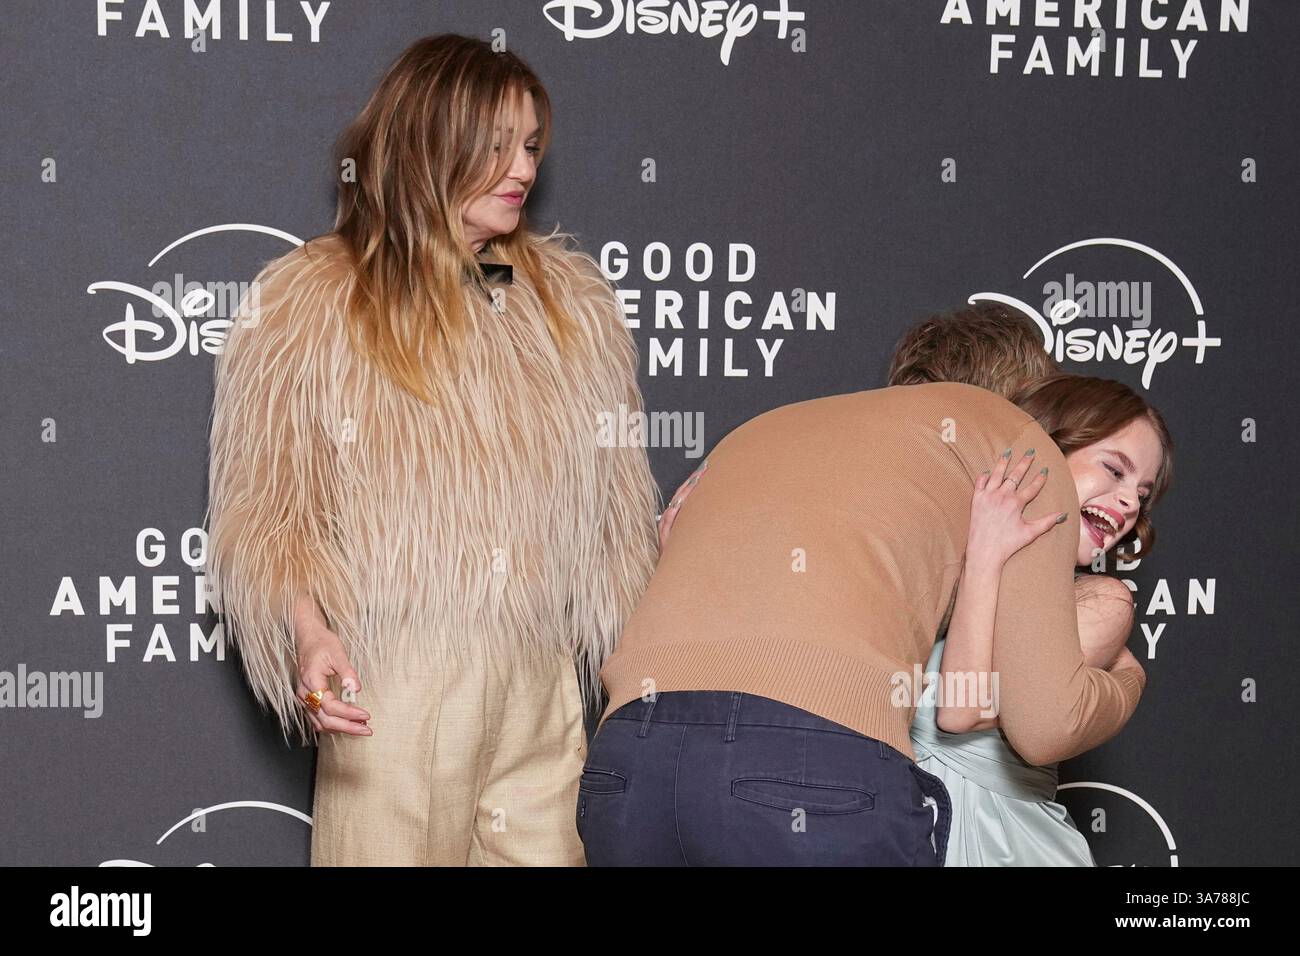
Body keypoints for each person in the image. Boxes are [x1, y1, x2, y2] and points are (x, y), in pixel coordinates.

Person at [205, 35, 661, 866]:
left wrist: (648, 669)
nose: (521, 167)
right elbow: (270, 514)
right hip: (396, 686)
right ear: (427, 143)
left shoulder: (575, 309)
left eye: (530, 146)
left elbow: (617, 526)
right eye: (496, 145)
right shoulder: (311, 303)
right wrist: (308, 635)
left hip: (542, 684)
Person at [576, 303, 1148, 866]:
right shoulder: (1016, 452)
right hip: (807, 769)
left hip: (626, 766)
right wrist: (1127, 677)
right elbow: (1045, 724)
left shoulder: (765, 430)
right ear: (1030, 402)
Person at [910, 373, 1171, 865]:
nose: (1131, 502)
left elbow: (958, 712)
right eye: (1115, 471)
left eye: (1143, 493)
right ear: (1045, 448)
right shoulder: (932, 559)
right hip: (894, 827)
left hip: (1006, 847)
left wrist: (987, 554)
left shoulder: (1100, 602)